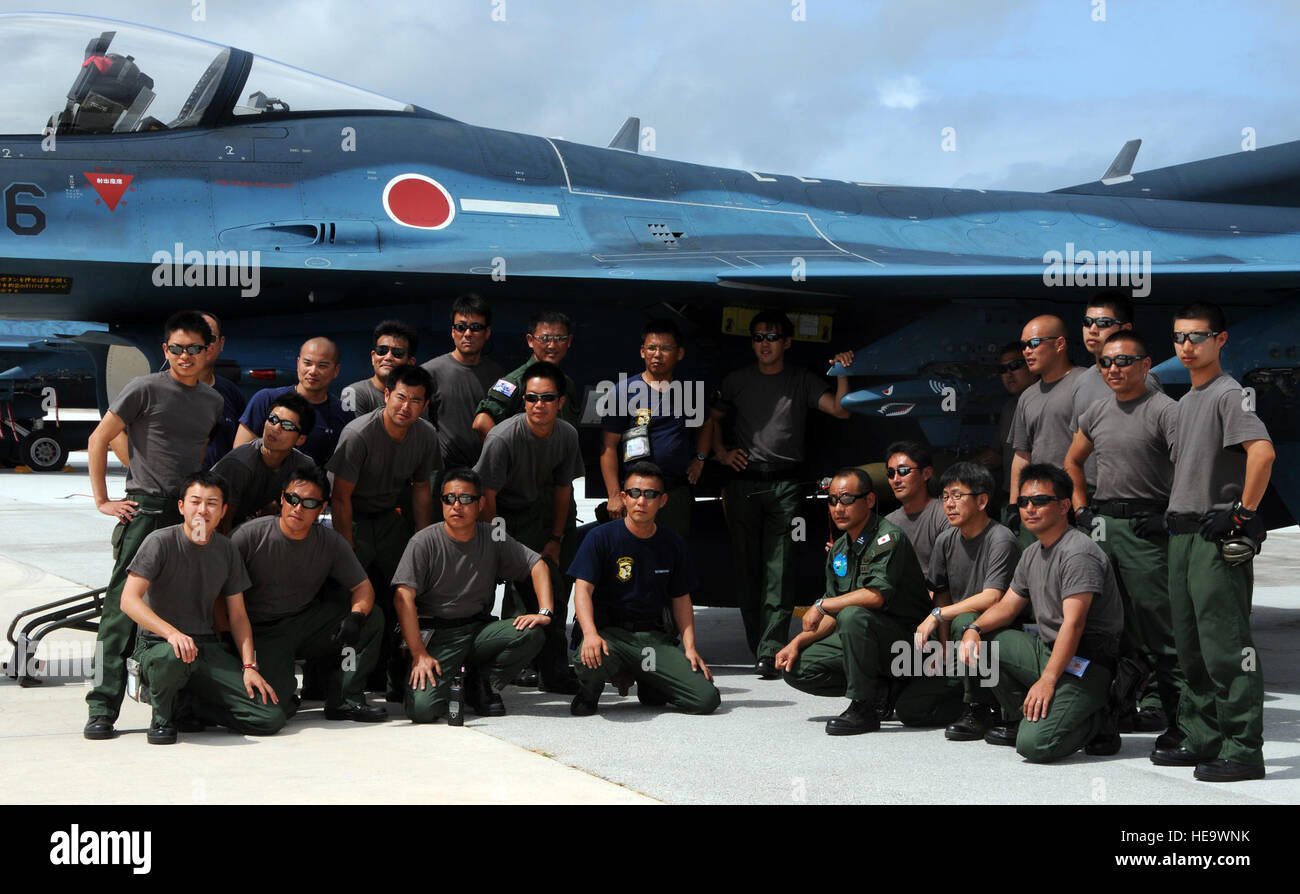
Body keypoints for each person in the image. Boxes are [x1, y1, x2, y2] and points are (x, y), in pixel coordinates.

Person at [84, 310, 225, 741]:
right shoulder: (144, 388)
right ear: (165, 349)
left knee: (186, 606)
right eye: (176, 348)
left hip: (188, 514)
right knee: (119, 612)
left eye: (194, 348)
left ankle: (176, 705)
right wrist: (103, 500)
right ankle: (102, 707)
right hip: (144, 510)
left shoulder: (212, 401)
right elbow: (98, 438)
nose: (185, 356)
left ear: (208, 351)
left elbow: (195, 453)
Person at [1156, 302, 1273, 782]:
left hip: (1213, 538)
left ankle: (1243, 751)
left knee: (1226, 647)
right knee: (1191, 650)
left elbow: (1262, 453)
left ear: (1220, 340)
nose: (1187, 346)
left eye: (1197, 336)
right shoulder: (1186, 402)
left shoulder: (1231, 394)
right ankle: (1203, 738)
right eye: (1179, 337)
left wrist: (1242, 513)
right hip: (1183, 536)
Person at [704, 310, 854, 678]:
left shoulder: (800, 379)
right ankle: (758, 644)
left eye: (772, 337)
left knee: (779, 568)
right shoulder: (737, 380)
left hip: (785, 486)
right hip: (743, 483)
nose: (765, 343)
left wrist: (842, 373)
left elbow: (840, 411)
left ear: (786, 342)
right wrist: (721, 453)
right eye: (758, 337)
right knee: (747, 568)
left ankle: (769, 651)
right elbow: (712, 419)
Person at [1065, 329, 1184, 748]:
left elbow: (1190, 467)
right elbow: (1072, 461)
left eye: (1123, 361)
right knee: (1106, 630)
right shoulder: (1097, 411)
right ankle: (1110, 718)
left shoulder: (1167, 411)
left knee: (1162, 631)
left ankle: (1183, 725)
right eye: (1105, 363)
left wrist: (1169, 516)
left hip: (1145, 532)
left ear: (1146, 365)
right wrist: (1081, 508)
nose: (1113, 369)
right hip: (1104, 528)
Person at [957, 464, 1124, 762]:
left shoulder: (1078, 553)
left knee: (1034, 745)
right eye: (1023, 502)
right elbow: (1007, 607)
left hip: (1087, 663)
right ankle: (1021, 715)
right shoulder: (1033, 551)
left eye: (1040, 501)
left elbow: (1073, 624)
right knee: (977, 632)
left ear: (1064, 506)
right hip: (1049, 651)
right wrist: (973, 630)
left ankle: (1101, 716)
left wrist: (1047, 680)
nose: (1029, 508)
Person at [777, 467, 951, 734]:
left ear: (869, 500)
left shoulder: (887, 538)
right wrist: (797, 642)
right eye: (832, 500)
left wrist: (820, 605)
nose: (838, 508)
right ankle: (882, 689)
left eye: (847, 499)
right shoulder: (839, 549)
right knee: (797, 668)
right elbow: (833, 612)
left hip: (909, 645)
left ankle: (863, 707)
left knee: (853, 615)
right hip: (868, 639)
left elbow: (875, 596)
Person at [121, 471, 284, 743]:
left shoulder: (227, 550)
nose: (203, 510)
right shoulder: (159, 542)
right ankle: (162, 717)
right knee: (172, 657)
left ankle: (191, 705)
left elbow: (238, 616)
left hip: (205, 647)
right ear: (181, 506)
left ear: (223, 511)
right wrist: (172, 633)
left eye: (212, 503)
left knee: (269, 717)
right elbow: (128, 600)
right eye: (195, 502)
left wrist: (249, 665)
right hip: (158, 645)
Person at [391, 468, 552, 722]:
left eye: (466, 498)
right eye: (449, 499)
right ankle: (444, 680)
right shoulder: (423, 542)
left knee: (531, 633)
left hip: (477, 631)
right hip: (436, 637)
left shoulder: (493, 536)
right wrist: (419, 654)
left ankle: (481, 683)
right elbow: (402, 598)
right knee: (423, 711)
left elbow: (537, 565)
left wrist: (544, 611)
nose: (457, 505)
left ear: (481, 504)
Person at [232, 466, 387, 723]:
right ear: (282, 498)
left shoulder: (330, 542)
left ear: (322, 508)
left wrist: (356, 617)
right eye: (292, 499)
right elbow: (218, 593)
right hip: (261, 632)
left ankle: (345, 699)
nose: (298, 508)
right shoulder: (247, 536)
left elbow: (363, 587)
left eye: (309, 503)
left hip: (305, 622)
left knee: (371, 618)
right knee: (273, 709)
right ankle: (287, 695)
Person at [569, 462, 719, 716]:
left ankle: (648, 681)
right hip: (611, 636)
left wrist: (690, 648)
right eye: (635, 493)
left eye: (650, 494)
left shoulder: (672, 543)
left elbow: (681, 598)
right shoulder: (600, 537)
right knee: (590, 660)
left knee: (706, 699)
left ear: (662, 501)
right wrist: (590, 633)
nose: (641, 501)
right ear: (624, 498)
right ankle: (589, 692)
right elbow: (582, 590)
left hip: (652, 638)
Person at [327, 364, 439, 699]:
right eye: (401, 397)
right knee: (354, 596)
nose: (406, 406)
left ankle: (395, 676)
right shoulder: (358, 434)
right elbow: (340, 497)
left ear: (425, 405)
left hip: (391, 518)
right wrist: (347, 547)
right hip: (354, 517)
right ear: (387, 395)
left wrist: (422, 537)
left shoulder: (426, 435)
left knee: (403, 591)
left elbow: (422, 488)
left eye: (416, 401)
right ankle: (340, 681)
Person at [474, 361, 585, 693]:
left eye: (547, 398)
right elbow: (487, 498)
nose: (539, 405)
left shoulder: (567, 434)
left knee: (555, 594)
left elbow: (564, 489)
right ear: (523, 401)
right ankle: (492, 670)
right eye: (532, 398)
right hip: (503, 516)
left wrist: (555, 538)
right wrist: (497, 545)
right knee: (504, 597)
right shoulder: (502, 437)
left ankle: (553, 672)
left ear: (560, 402)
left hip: (544, 513)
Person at [914, 462, 1022, 741]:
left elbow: (992, 597)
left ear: (982, 501)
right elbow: (942, 595)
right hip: (960, 639)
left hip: (997, 633)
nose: (949, 504)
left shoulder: (1001, 538)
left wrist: (938, 615)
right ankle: (973, 701)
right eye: (944, 497)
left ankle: (979, 708)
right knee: (911, 710)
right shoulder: (945, 540)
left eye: (957, 496)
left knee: (964, 619)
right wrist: (943, 648)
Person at [597, 318, 706, 538]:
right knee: (631, 553)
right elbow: (608, 446)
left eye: (665, 348)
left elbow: (708, 424)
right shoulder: (623, 392)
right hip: (637, 494)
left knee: (673, 550)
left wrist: (700, 458)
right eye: (652, 348)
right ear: (642, 352)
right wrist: (614, 495)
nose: (657, 354)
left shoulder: (690, 392)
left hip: (674, 491)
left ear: (679, 353)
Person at [1068, 292, 1161, 491]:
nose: (1093, 330)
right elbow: (1075, 452)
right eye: (1087, 322)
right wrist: (1079, 503)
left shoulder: (1143, 380)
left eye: (1103, 323)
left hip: (1135, 497)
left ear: (1125, 329)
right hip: (1091, 495)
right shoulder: (1082, 381)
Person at [1007, 315, 1084, 540]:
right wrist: (1014, 505)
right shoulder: (1027, 397)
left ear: (1059, 344)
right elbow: (1022, 455)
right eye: (1023, 346)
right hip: (1038, 502)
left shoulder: (1086, 382)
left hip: (1078, 499)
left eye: (1033, 343)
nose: (1026, 351)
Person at [234, 337, 349, 466]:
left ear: (336, 371)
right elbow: (239, 456)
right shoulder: (266, 399)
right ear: (298, 363)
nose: (313, 371)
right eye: (307, 363)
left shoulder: (343, 413)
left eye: (322, 366)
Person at [421, 293, 504, 474]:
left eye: (476, 327)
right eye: (461, 327)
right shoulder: (429, 373)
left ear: (487, 333)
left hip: (486, 472)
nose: (467, 334)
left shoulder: (498, 376)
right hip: (443, 475)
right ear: (453, 332)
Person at [212, 391, 315, 532]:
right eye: (273, 419)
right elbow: (220, 524)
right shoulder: (239, 464)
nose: (275, 428)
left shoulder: (304, 467)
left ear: (301, 439)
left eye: (287, 426)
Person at [472, 309, 580, 437]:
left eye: (560, 338)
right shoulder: (515, 382)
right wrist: (504, 448)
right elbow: (481, 423)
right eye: (545, 338)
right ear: (530, 340)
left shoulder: (567, 384)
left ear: (569, 341)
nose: (552, 345)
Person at [976, 340, 1038, 514]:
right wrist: (965, 466)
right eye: (1003, 369)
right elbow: (997, 455)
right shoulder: (1009, 408)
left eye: (1015, 365)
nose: (1008, 373)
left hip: (1038, 499)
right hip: (1011, 498)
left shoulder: (1046, 402)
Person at [883, 440, 948, 582]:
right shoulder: (887, 523)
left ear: (926, 473)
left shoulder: (946, 514)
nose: (896, 480)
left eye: (903, 471)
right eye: (890, 473)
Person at [198, 311, 246, 469]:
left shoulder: (231, 393)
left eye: (210, 338)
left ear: (221, 343)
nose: (204, 345)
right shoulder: (157, 390)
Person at [342, 320, 419, 418]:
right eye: (382, 350)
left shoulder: (418, 397)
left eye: (397, 353)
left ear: (410, 363)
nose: (388, 357)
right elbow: (352, 428)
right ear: (373, 357)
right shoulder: (351, 392)